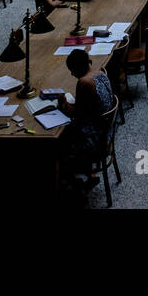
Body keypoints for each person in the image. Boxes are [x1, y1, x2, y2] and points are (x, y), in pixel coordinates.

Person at [57, 49, 116, 194]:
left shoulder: (84, 82)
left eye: (72, 70)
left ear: (78, 67)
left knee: (59, 143)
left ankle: (73, 183)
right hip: (107, 132)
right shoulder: (100, 73)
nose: (72, 74)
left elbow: (77, 114)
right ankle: (89, 173)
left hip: (96, 139)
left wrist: (63, 104)